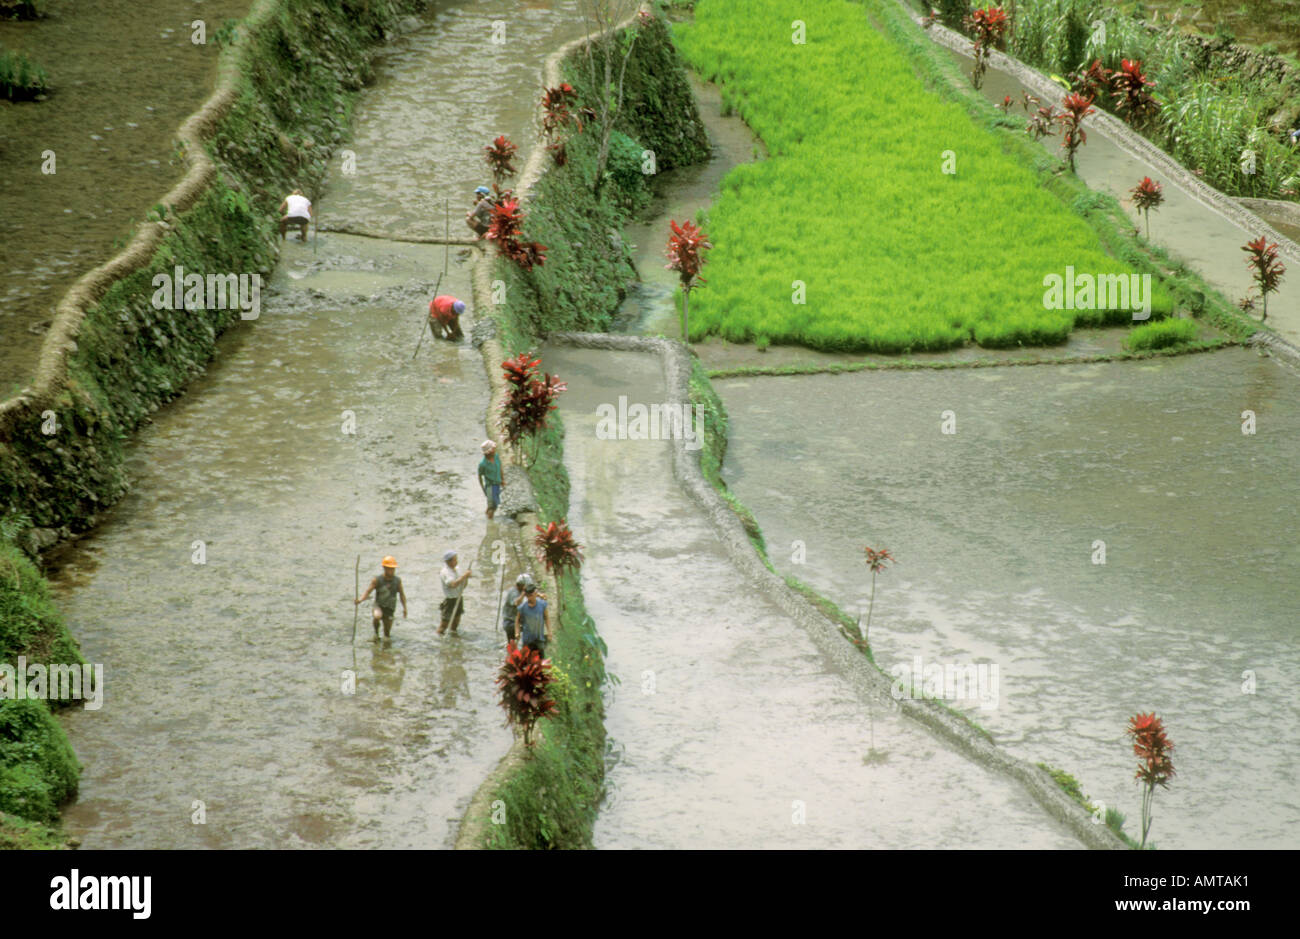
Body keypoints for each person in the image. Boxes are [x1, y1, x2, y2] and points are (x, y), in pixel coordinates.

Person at [356, 556, 407, 640]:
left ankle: (385, 648)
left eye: (393, 569)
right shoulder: (377, 580)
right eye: (390, 569)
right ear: (384, 568)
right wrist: (360, 600)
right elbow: (368, 591)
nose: (392, 571)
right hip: (378, 605)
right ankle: (376, 634)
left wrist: (405, 608)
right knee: (377, 616)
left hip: (390, 608)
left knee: (387, 633)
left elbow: (402, 594)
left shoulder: (397, 581)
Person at [438, 549, 472, 635]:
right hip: (450, 600)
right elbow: (453, 585)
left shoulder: (457, 569)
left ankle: (454, 637)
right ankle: (439, 638)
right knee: (444, 624)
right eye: (454, 560)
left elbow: (462, 585)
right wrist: (464, 576)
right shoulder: (445, 572)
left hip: (459, 598)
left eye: (456, 559)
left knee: (456, 622)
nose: (456, 561)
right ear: (448, 562)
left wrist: (466, 578)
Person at [515, 583, 552, 657]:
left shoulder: (542, 605)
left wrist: (549, 632)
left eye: (532, 595)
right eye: (528, 596)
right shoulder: (522, 607)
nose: (530, 598)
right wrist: (517, 632)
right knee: (526, 660)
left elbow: (547, 618)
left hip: (539, 638)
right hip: (527, 639)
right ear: (527, 596)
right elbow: (517, 621)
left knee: (541, 659)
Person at [501, 572, 533, 644]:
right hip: (510, 623)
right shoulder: (513, 592)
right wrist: (523, 593)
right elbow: (516, 603)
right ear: (522, 586)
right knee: (512, 644)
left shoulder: (521, 591)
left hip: (518, 621)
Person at [477, 439, 504, 519]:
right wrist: (483, 488)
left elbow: (500, 468)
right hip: (490, 486)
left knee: (493, 505)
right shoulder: (483, 464)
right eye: (493, 449)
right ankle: (490, 524)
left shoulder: (496, 457)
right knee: (493, 506)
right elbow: (479, 476)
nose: (494, 450)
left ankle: (486, 515)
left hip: (497, 484)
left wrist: (502, 479)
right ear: (489, 452)